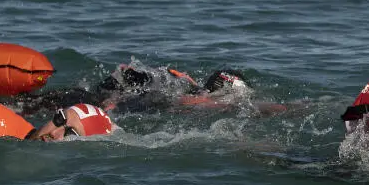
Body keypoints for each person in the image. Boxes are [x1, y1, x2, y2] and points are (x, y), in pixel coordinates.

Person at [13, 64, 250, 115]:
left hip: (95, 98)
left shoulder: (181, 84)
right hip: (99, 101)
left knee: (35, 105)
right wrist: (112, 103)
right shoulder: (183, 87)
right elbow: (127, 72)